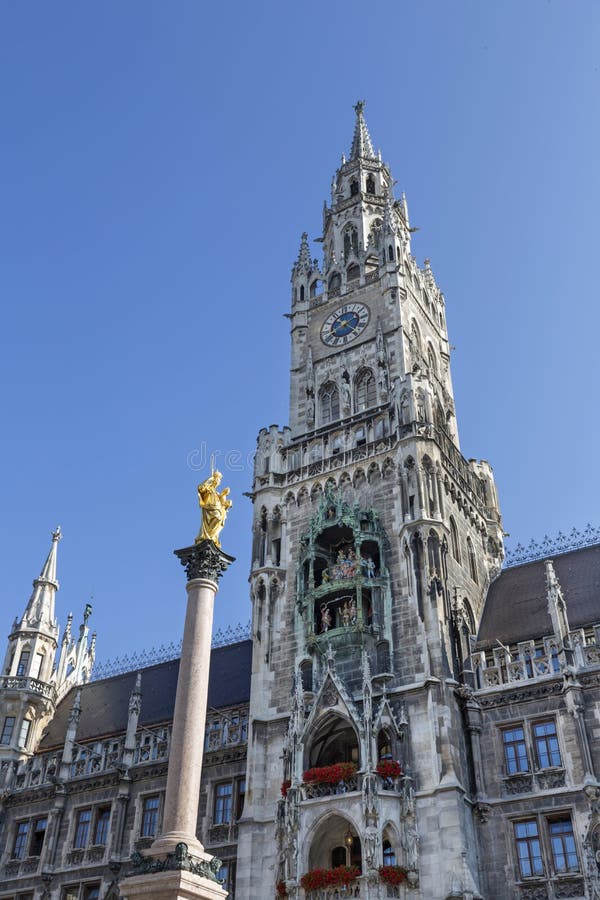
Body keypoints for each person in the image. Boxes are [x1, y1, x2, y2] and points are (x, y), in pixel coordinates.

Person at [196, 470, 232, 548]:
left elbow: (222, 503)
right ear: (214, 480)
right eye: (218, 480)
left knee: (219, 518)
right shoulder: (208, 488)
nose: (219, 482)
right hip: (209, 509)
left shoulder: (216, 493)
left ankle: (211, 536)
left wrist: (225, 498)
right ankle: (208, 535)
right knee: (217, 517)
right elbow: (200, 488)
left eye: (219, 480)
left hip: (216, 509)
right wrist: (209, 479)